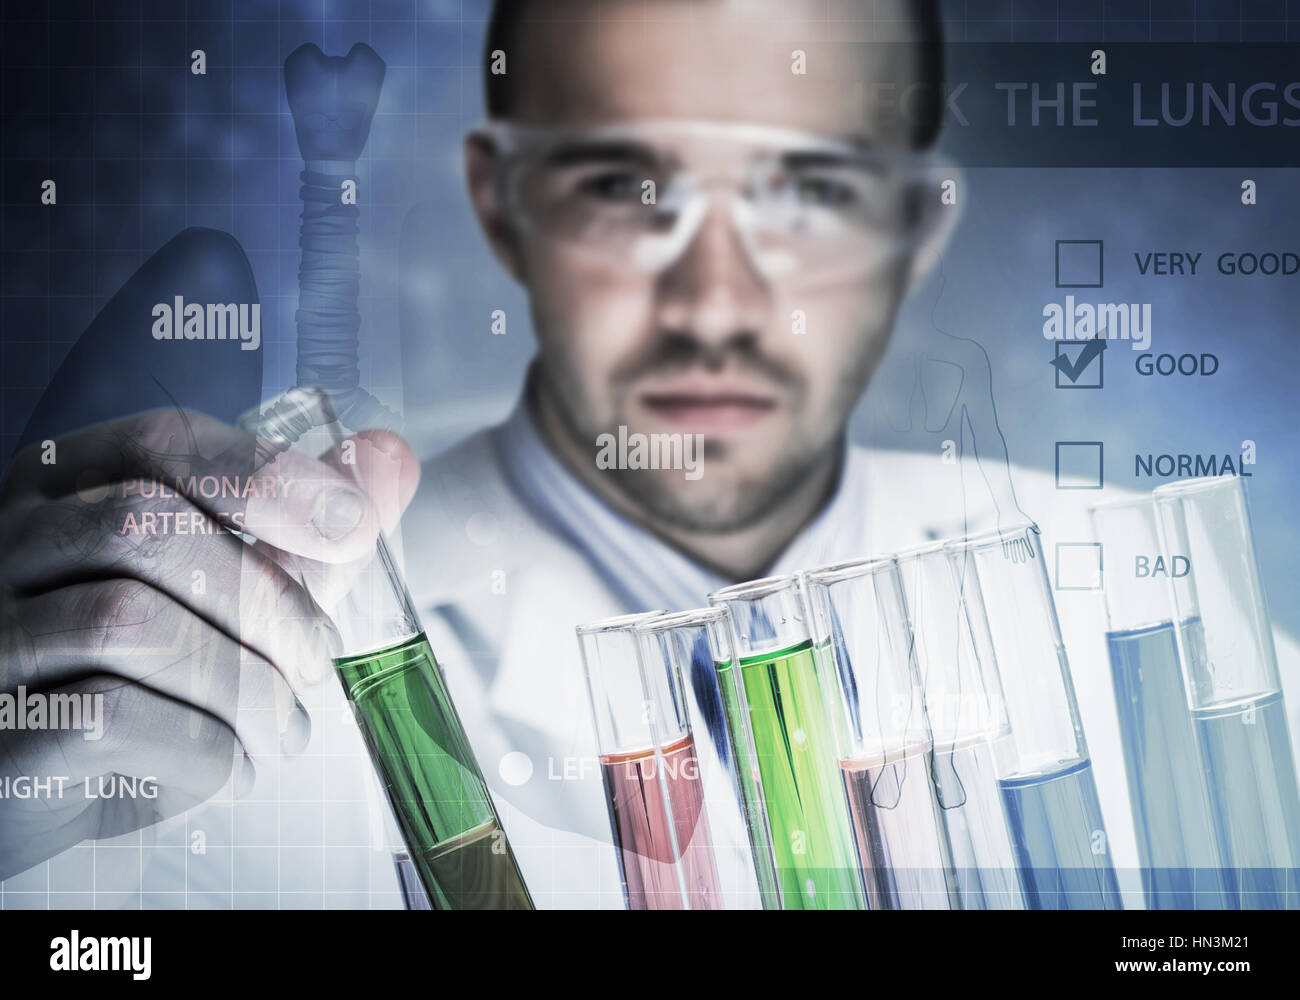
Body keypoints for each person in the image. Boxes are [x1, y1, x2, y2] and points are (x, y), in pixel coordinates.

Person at [1, 0, 1296, 908]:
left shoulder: (1195, 633)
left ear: (915, 226)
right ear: (500, 208)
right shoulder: (241, 669)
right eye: (628, 190)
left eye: (812, 192)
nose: (716, 303)